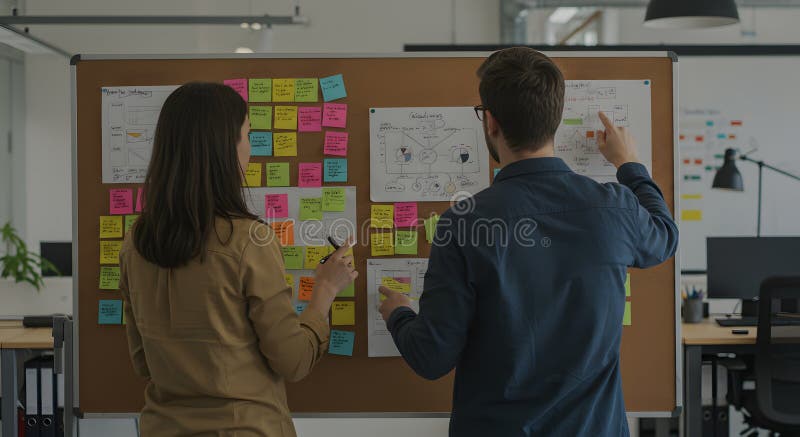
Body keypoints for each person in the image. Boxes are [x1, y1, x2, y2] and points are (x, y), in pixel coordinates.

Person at [379, 48, 678, 436]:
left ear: (490, 123)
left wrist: (398, 313)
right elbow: (665, 236)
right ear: (555, 119)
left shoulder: (461, 224)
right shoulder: (613, 208)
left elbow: (431, 357)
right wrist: (630, 167)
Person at [119, 82, 357, 436]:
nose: (250, 150)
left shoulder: (136, 242)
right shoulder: (249, 240)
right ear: (223, 148)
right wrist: (323, 291)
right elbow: (292, 361)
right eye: (246, 135)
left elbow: (142, 362)